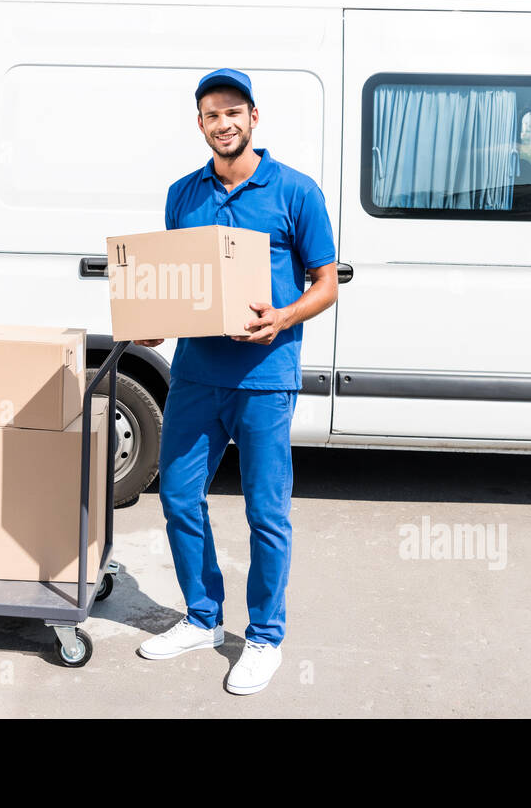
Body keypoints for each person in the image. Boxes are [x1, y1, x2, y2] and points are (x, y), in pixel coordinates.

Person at [134, 67, 338, 695]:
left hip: (264, 379)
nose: (222, 123)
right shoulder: (183, 193)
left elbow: (325, 283)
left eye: (233, 111)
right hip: (196, 375)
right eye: (210, 114)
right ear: (200, 125)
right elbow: (179, 280)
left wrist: (283, 316)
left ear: (254, 118)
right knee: (178, 499)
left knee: (266, 515)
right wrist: (154, 323)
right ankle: (200, 617)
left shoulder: (296, 191)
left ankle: (265, 637)